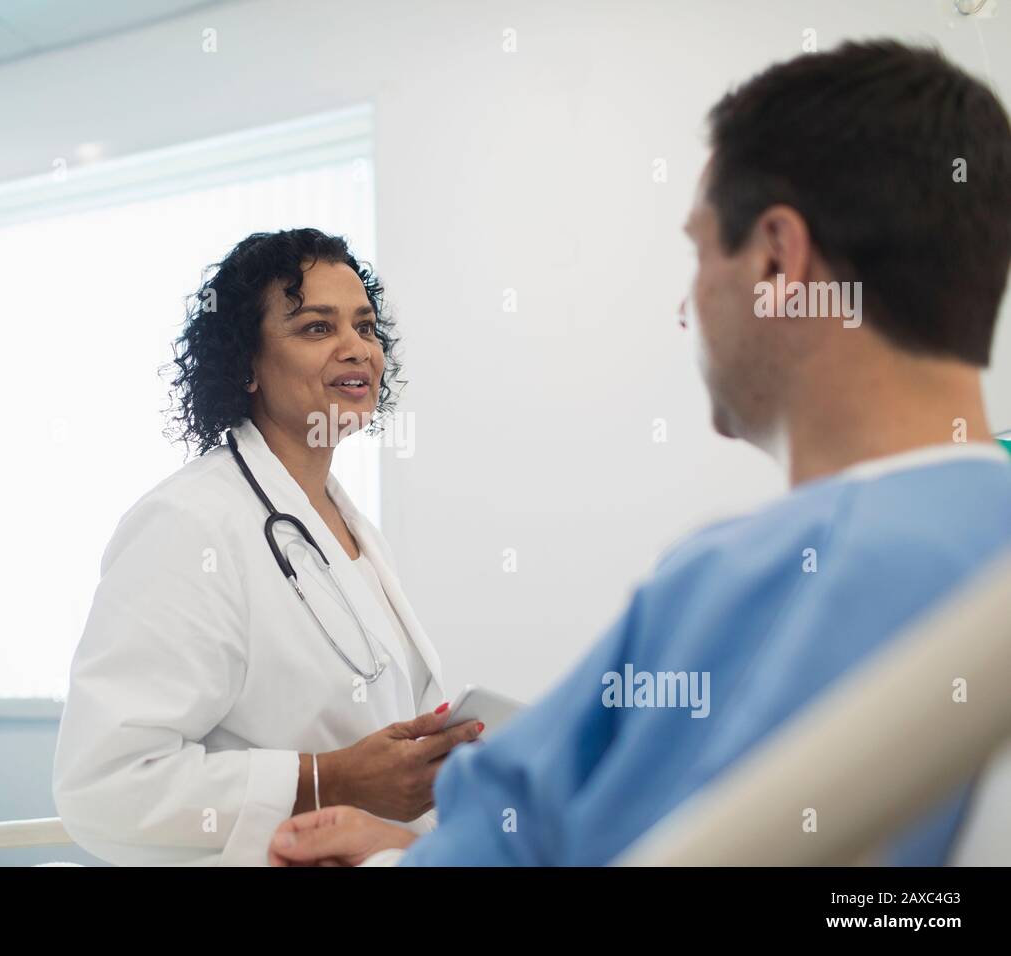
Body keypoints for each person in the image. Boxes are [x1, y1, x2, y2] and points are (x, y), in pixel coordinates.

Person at [267, 40, 1011, 867]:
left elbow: (535, 835)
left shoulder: (748, 584)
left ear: (776, 259)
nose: (686, 304)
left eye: (700, 253)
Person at [53, 228, 479, 865]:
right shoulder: (189, 523)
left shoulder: (347, 526)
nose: (355, 348)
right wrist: (327, 780)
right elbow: (104, 785)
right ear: (245, 364)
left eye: (365, 327)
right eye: (316, 328)